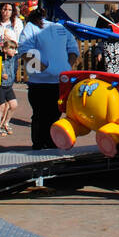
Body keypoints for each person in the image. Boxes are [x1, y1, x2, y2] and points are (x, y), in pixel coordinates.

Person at [18, 15, 80, 150]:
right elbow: (24, 51)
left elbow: (73, 49)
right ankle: (38, 147)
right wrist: (44, 69)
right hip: (38, 83)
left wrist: (67, 67)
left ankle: (52, 146)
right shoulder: (32, 26)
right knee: (40, 115)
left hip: (59, 83)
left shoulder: (64, 25)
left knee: (54, 115)